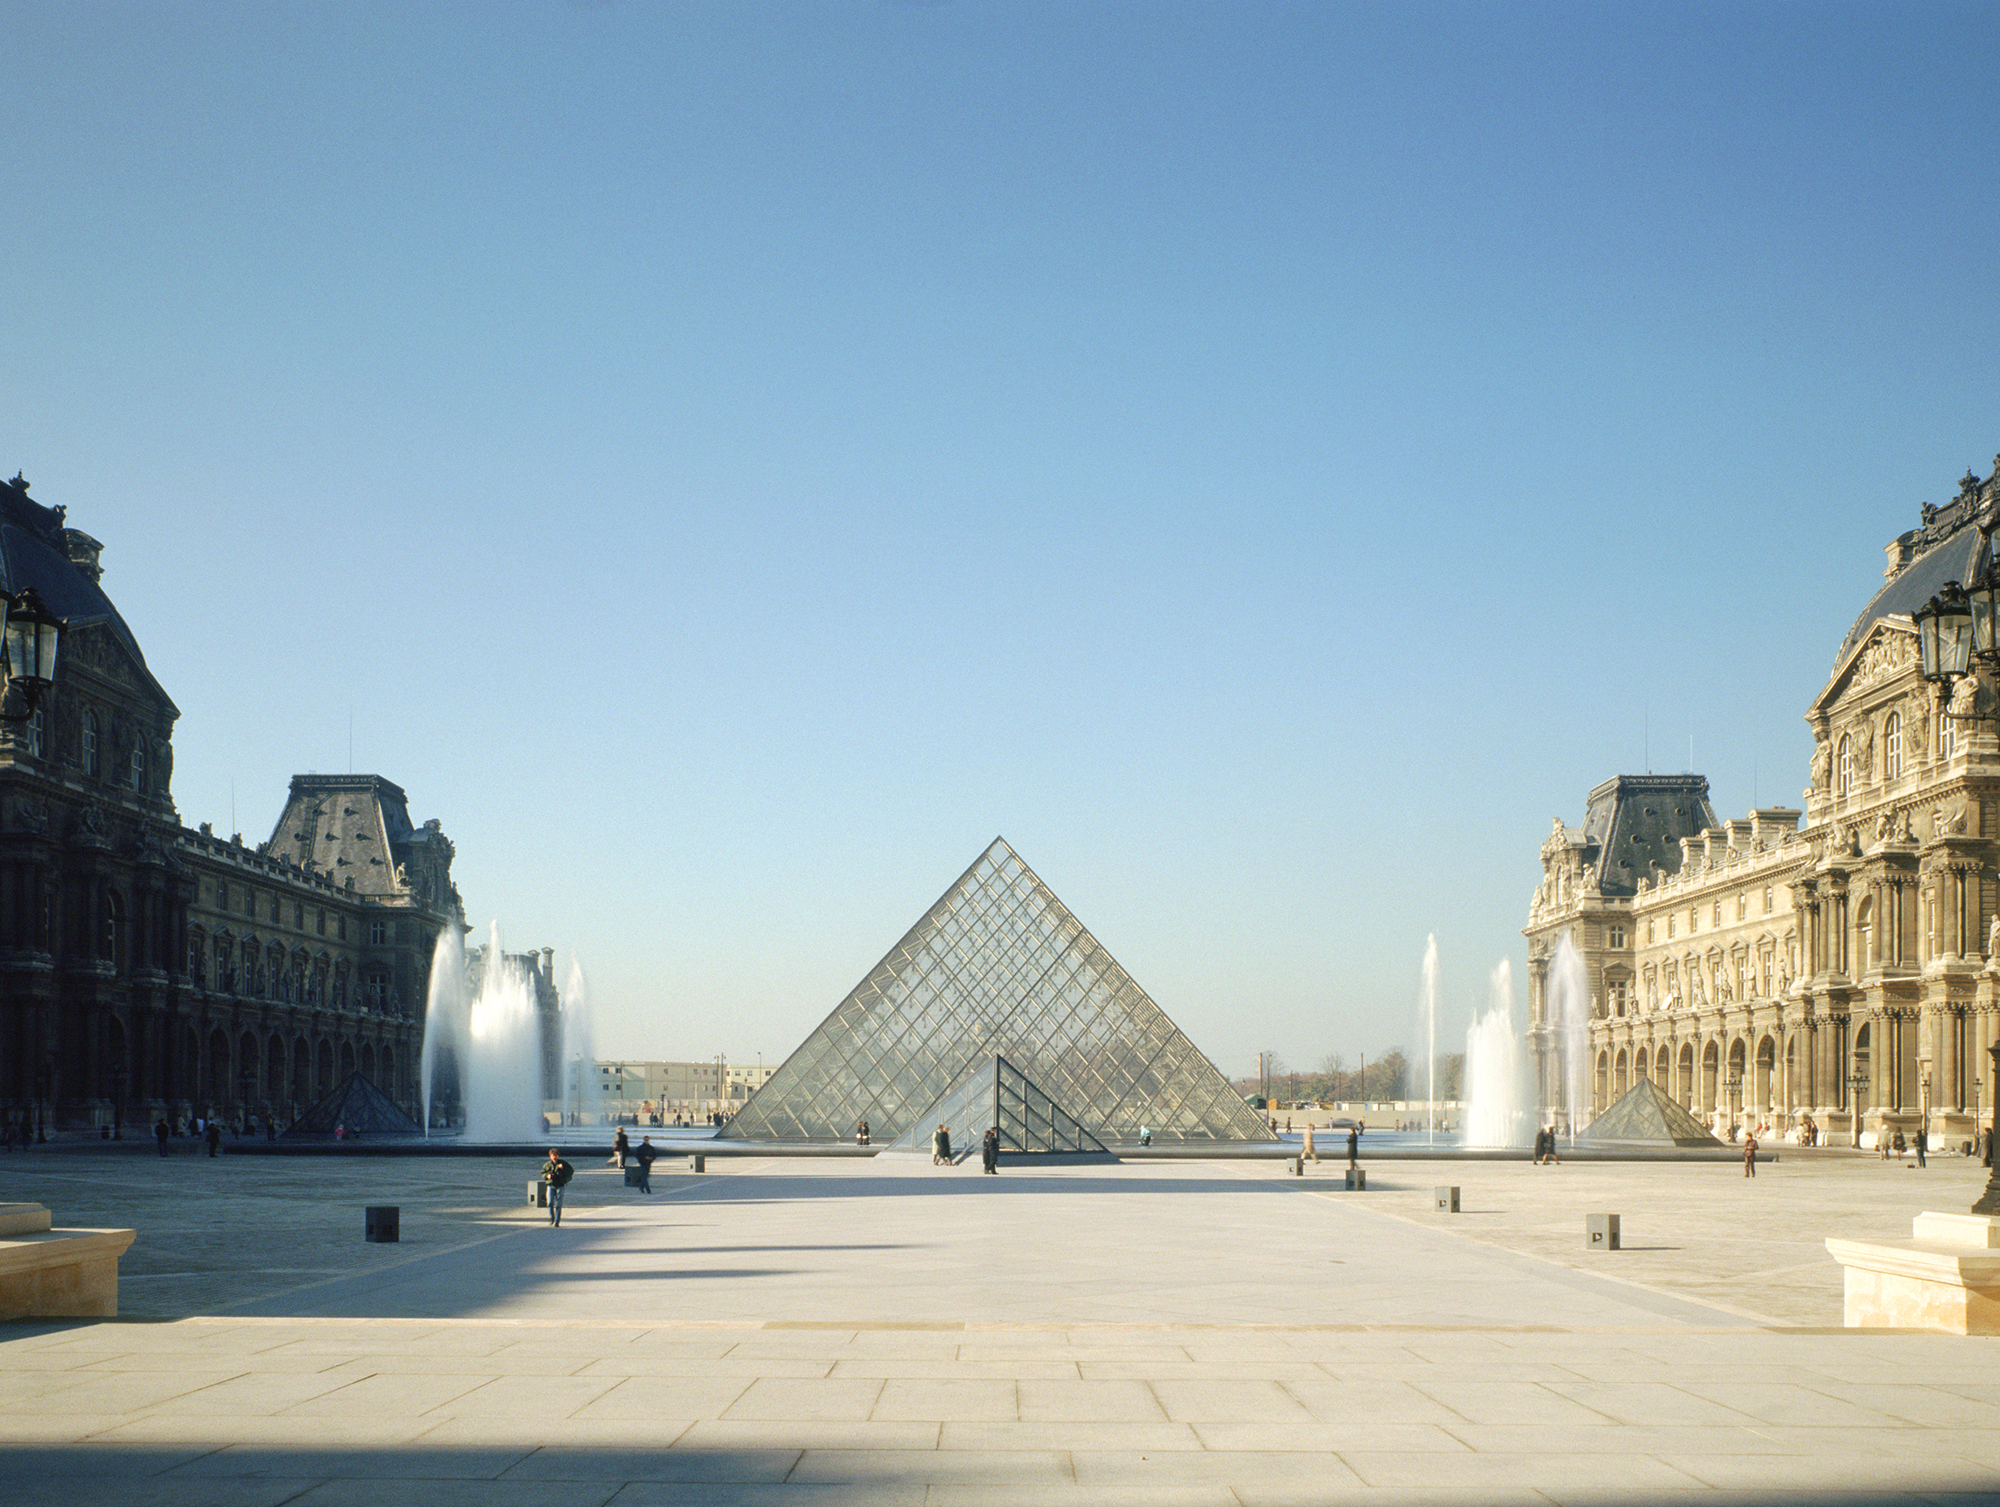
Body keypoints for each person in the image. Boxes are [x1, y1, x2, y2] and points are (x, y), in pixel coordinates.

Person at [541, 1147, 574, 1226]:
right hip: (550, 1185)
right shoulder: (547, 1164)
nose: (554, 1157)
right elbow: (543, 1173)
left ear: (558, 1156)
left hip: (560, 1185)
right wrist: (547, 1176)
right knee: (550, 1202)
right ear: (550, 1156)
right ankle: (552, 1218)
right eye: (553, 1155)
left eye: (555, 1155)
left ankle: (557, 1221)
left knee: (559, 1204)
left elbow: (571, 1171)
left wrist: (563, 1169)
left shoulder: (563, 1163)